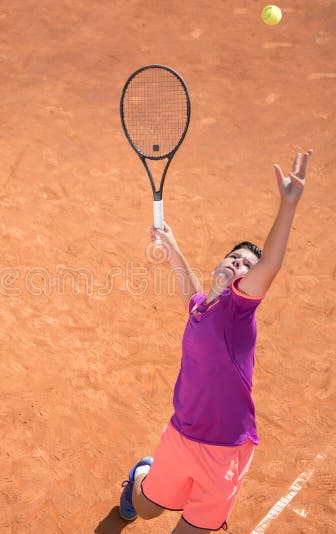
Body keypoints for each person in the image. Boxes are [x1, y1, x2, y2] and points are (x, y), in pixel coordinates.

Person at [119, 150, 313, 533]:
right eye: (234, 257)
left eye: (246, 266)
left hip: (224, 452)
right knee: (146, 509)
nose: (238, 265)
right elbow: (192, 294)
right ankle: (143, 472)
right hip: (181, 435)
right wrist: (173, 249)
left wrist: (287, 205)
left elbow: (270, 265)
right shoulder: (202, 308)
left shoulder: (239, 311)